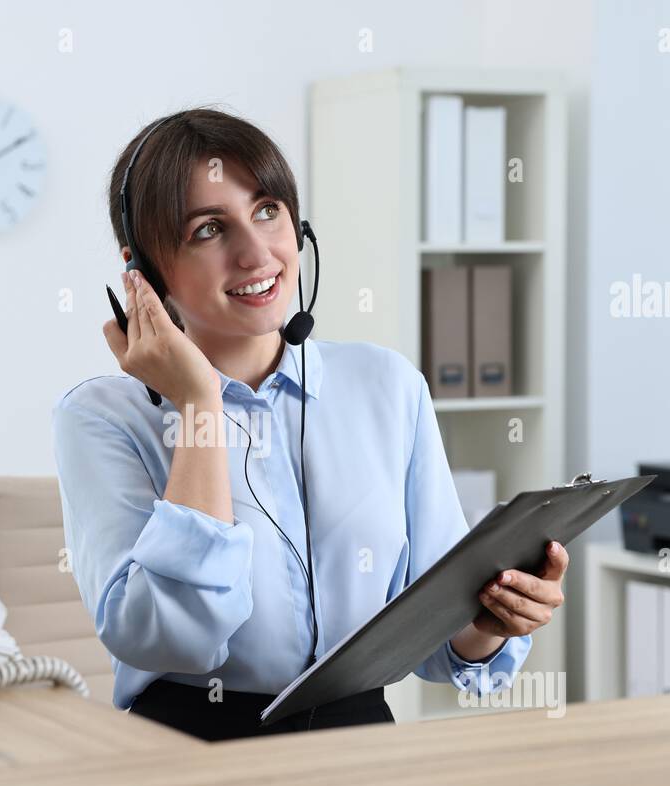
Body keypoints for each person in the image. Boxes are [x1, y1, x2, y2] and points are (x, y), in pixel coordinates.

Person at [52, 107, 567, 742]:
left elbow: (439, 637)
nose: (255, 253)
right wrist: (199, 405)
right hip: (188, 753)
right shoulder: (102, 418)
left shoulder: (387, 385)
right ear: (143, 273)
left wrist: (495, 618)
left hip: (359, 746)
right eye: (209, 229)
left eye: (267, 211)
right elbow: (178, 637)